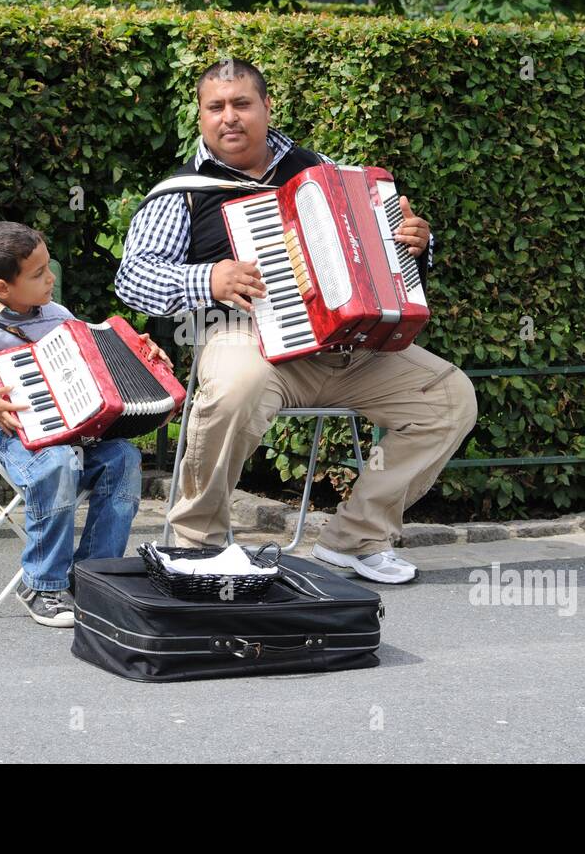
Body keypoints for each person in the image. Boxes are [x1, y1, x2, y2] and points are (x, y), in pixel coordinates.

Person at [115, 58, 478, 584]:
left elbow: (378, 249)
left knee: (449, 398)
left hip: (348, 344)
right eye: (215, 107)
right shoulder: (182, 192)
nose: (229, 117)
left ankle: (355, 538)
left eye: (241, 104)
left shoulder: (322, 171)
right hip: (249, 337)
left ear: (266, 106)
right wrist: (208, 280)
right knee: (235, 388)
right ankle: (197, 542)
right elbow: (133, 280)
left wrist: (416, 245)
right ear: (200, 116)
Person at [0, 221, 166, 626]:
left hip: (68, 431)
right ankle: (42, 585)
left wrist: (141, 354)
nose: (50, 279)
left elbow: (93, 367)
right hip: (4, 435)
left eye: (49, 267)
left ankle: (93, 577)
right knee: (59, 462)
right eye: (37, 274)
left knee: (124, 458)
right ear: (2, 288)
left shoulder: (58, 316)